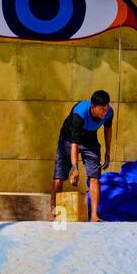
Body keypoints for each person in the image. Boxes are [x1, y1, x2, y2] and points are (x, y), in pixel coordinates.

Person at [51, 90, 114, 222]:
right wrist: (75, 168)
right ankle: (54, 212)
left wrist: (108, 151)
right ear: (93, 107)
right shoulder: (79, 114)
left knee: (95, 177)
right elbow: (74, 144)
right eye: (101, 109)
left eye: (106, 108)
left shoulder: (109, 112)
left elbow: (108, 129)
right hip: (69, 138)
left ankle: (94, 216)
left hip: (90, 139)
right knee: (59, 176)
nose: (104, 112)